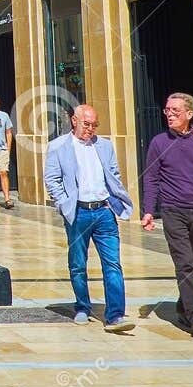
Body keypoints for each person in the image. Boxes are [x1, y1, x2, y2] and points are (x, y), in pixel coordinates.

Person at [44, 104, 135, 332]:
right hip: (78, 212)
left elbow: (113, 174)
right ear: (74, 121)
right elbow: (52, 179)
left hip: (104, 211)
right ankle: (82, 306)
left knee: (113, 263)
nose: (91, 129)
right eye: (87, 124)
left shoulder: (105, 146)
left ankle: (115, 316)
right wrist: (64, 203)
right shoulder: (58, 147)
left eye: (95, 125)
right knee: (77, 264)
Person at [142, 92, 193, 338]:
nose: (169, 114)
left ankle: (183, 304)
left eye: (175, 111)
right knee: (185, 265)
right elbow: (151, 178)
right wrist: (148, 210)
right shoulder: (158, 142)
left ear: (189, 114)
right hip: (173, 211)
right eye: (167, 110)